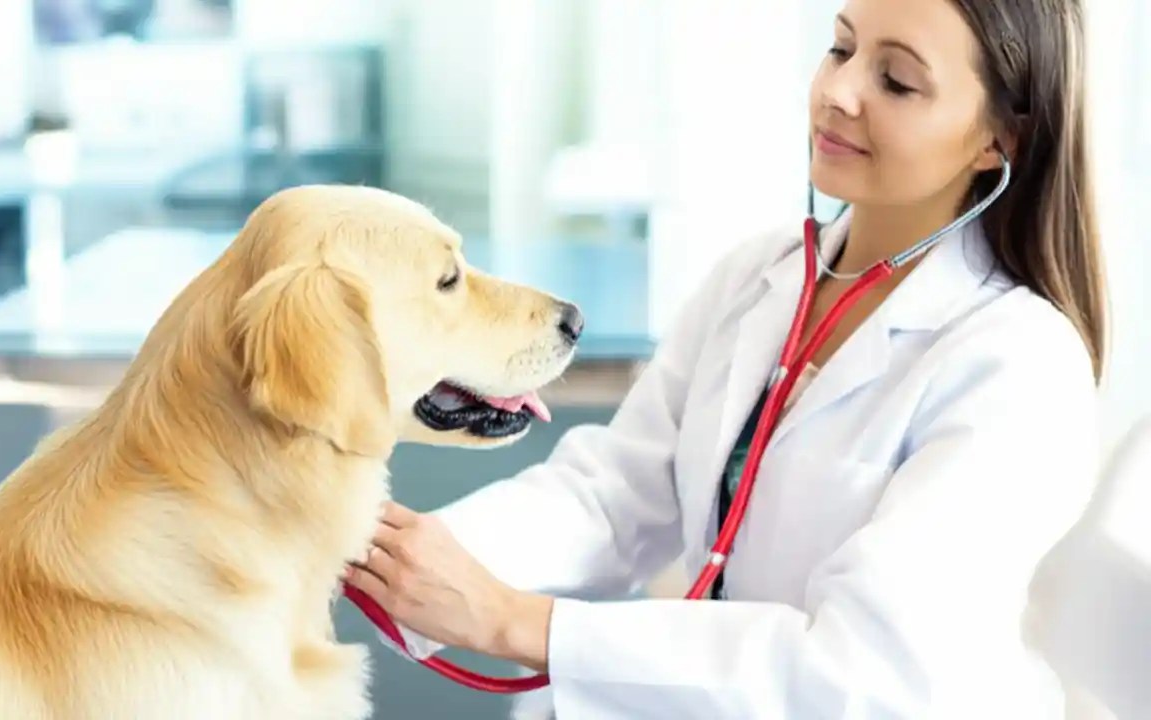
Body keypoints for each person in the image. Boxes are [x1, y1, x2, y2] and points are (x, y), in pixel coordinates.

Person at [343, 0, 1108, 716]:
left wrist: (518, 623)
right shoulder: (760, 276)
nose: (838, 91)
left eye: (897, 81)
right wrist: (365, 553)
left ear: (999, 138)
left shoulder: (1019, 366)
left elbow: (860, 668)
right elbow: (615, 494)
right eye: (840, 46)